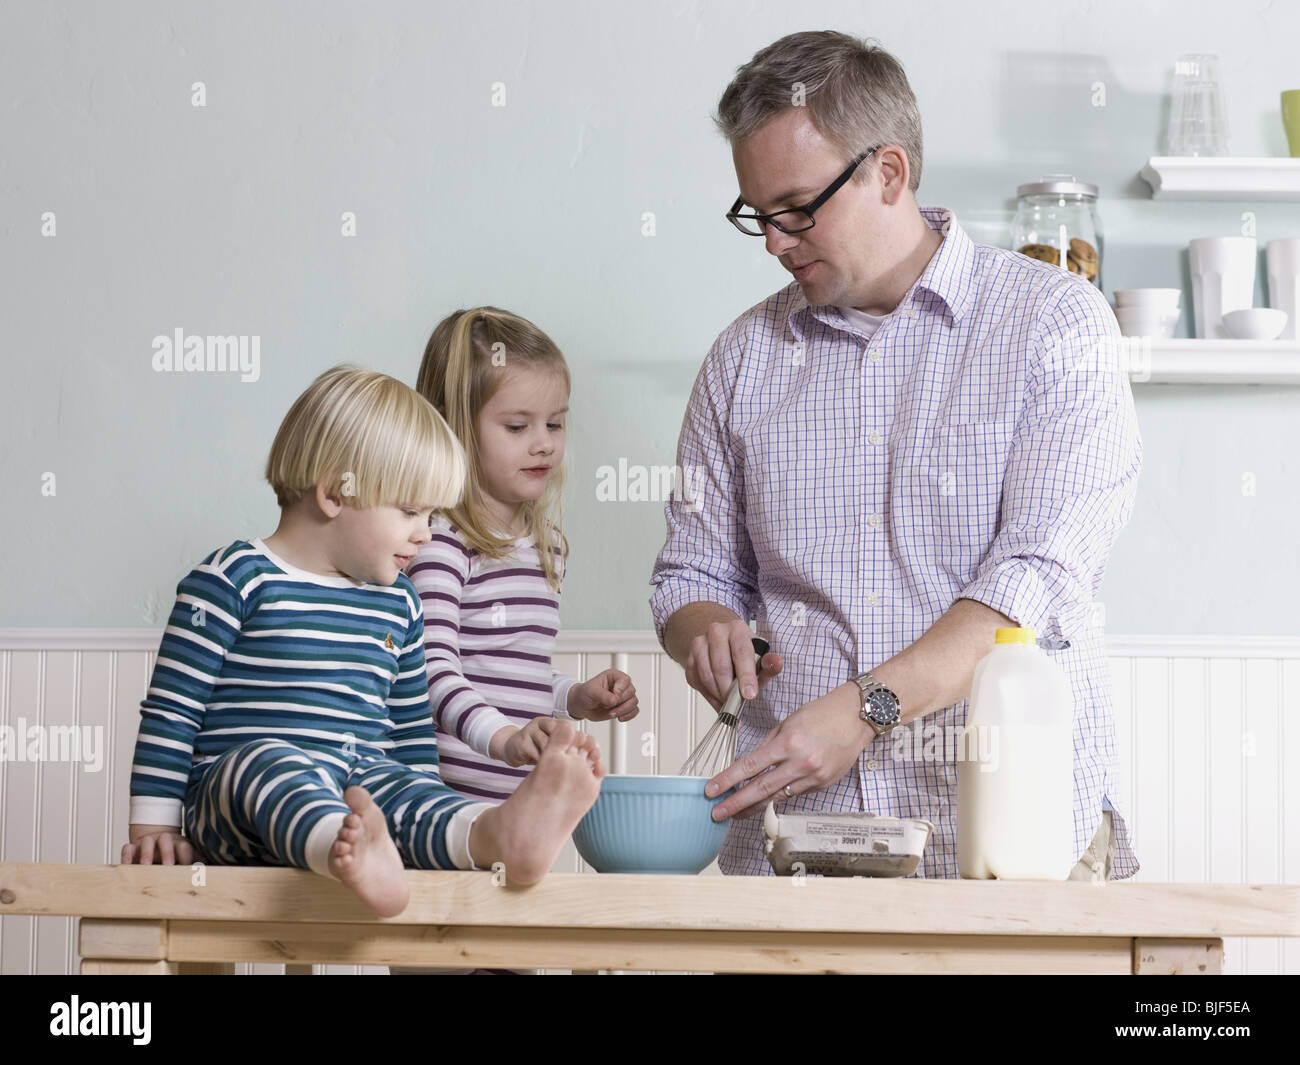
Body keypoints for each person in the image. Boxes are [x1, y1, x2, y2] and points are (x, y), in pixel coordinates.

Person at [649, 30, 1142, 882]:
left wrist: (866, 709)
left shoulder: (1056, 325)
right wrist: (708, 631)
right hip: (793, 855)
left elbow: (1035, 577)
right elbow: (689, 573)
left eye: (798, 207)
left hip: (1007, 846)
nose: (775, 240)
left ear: (889, 173)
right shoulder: (740, 361)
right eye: (757, 214)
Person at [123, 366, 605, 917]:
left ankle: (492, 835)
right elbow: (171, 713)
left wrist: (428, 801)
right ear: (334, 493)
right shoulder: (235, 578)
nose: (425, 533)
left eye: (431, 514)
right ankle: (346, 848)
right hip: (235, 808)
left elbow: (410, 732)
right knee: (272, 762)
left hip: (355, 790)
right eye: (409, 511)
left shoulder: (399, 601)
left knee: (396, 785)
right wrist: (153, 828)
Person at [410, 307, 640, 804]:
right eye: (517, 427)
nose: (543, 445)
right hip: (445, 808)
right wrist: (503, 739)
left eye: (554, 424)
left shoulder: (547, 545)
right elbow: (432, 672)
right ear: (454, 428)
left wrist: (573, 697)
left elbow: (518, 671)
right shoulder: (441, 543)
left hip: (515, 806)